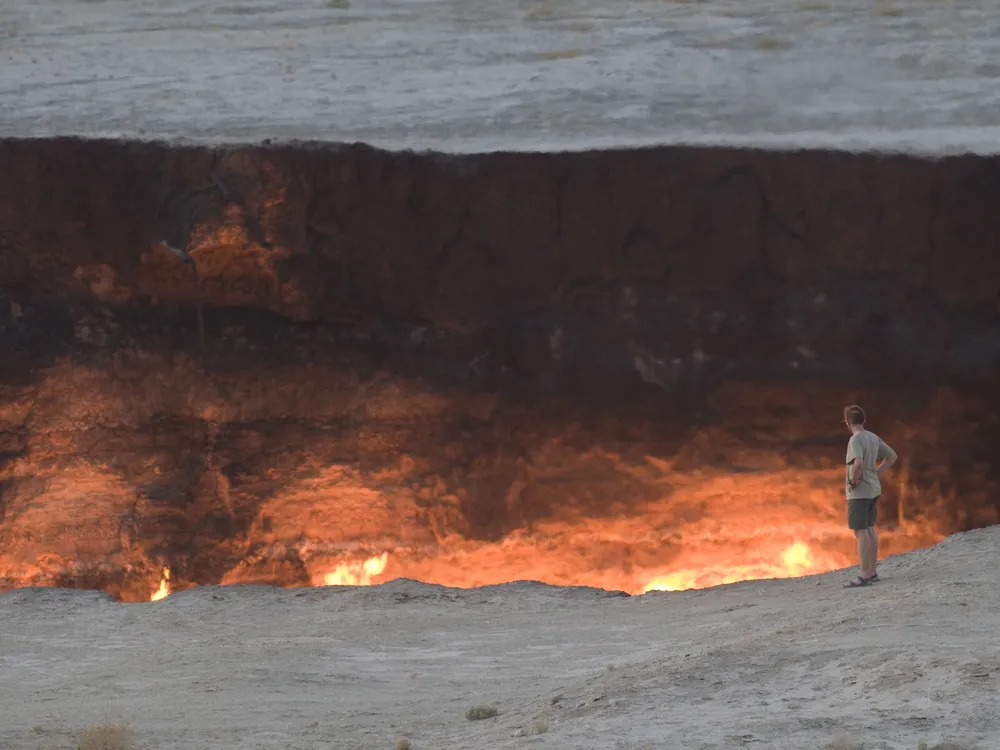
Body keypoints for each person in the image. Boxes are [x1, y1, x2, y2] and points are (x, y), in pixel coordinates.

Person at [842, 404, 897, 588]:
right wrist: (876, 473)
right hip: (874, 489)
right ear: (863, 420)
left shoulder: (855, 440)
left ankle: (864, 575)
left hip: (860, 493)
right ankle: (872, 572)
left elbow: (857, 463)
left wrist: (853, 482)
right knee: (870, 528)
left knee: (860, 531)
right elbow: (892, 457)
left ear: (848, 421)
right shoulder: (873, 438)